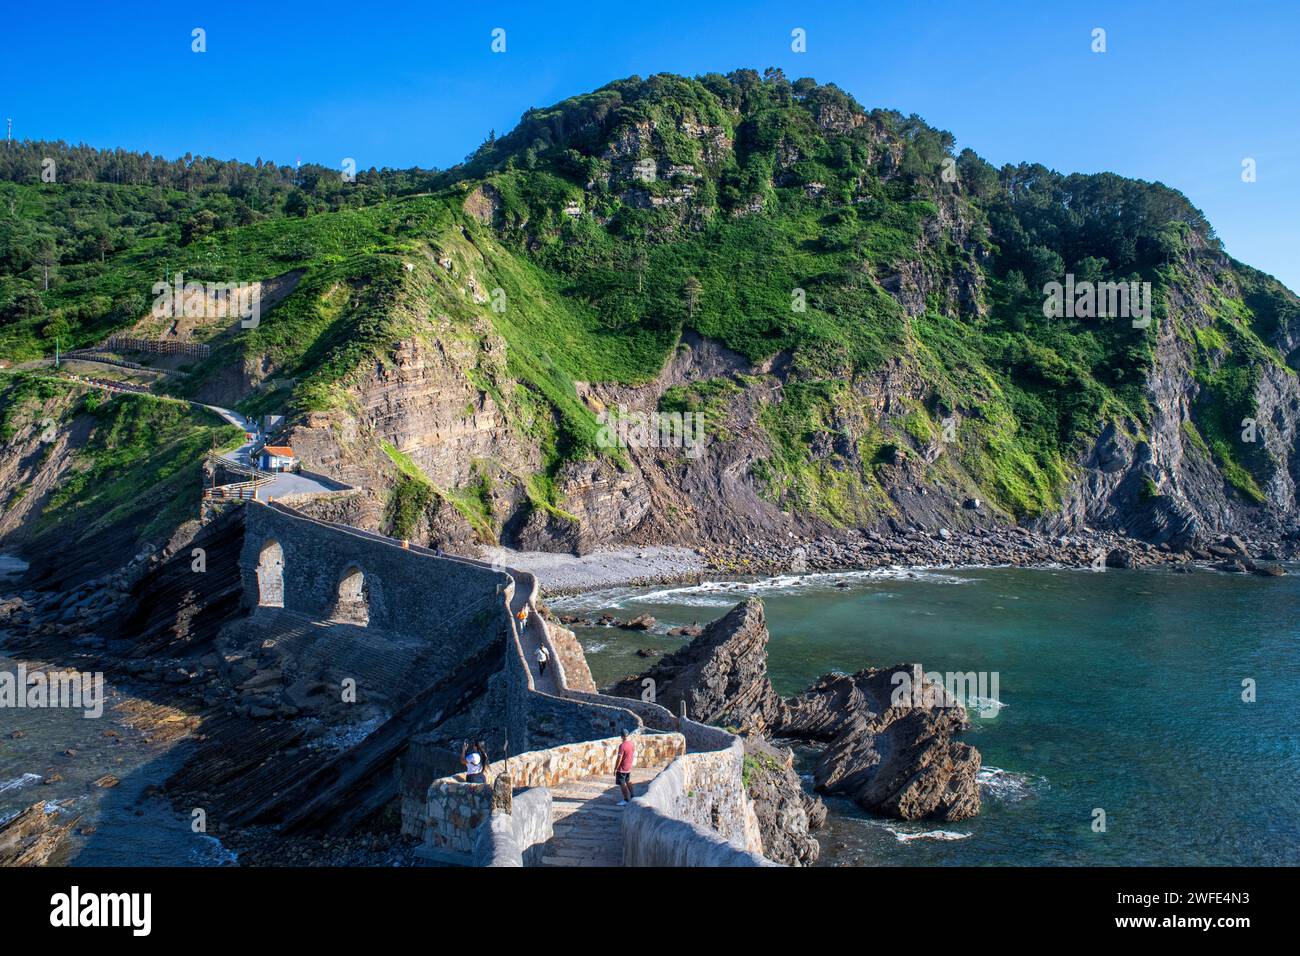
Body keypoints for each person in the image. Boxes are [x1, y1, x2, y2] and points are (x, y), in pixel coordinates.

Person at [612, 729, 636, 806]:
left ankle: (626, 800)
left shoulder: (622, 746)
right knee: (628, 781)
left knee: (622, 784)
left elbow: (619, 758)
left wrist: (615, 768)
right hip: (629, 767)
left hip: (622, 768)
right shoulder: (632, 744)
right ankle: (632, 795)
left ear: (622, 736)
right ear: (628, 735)